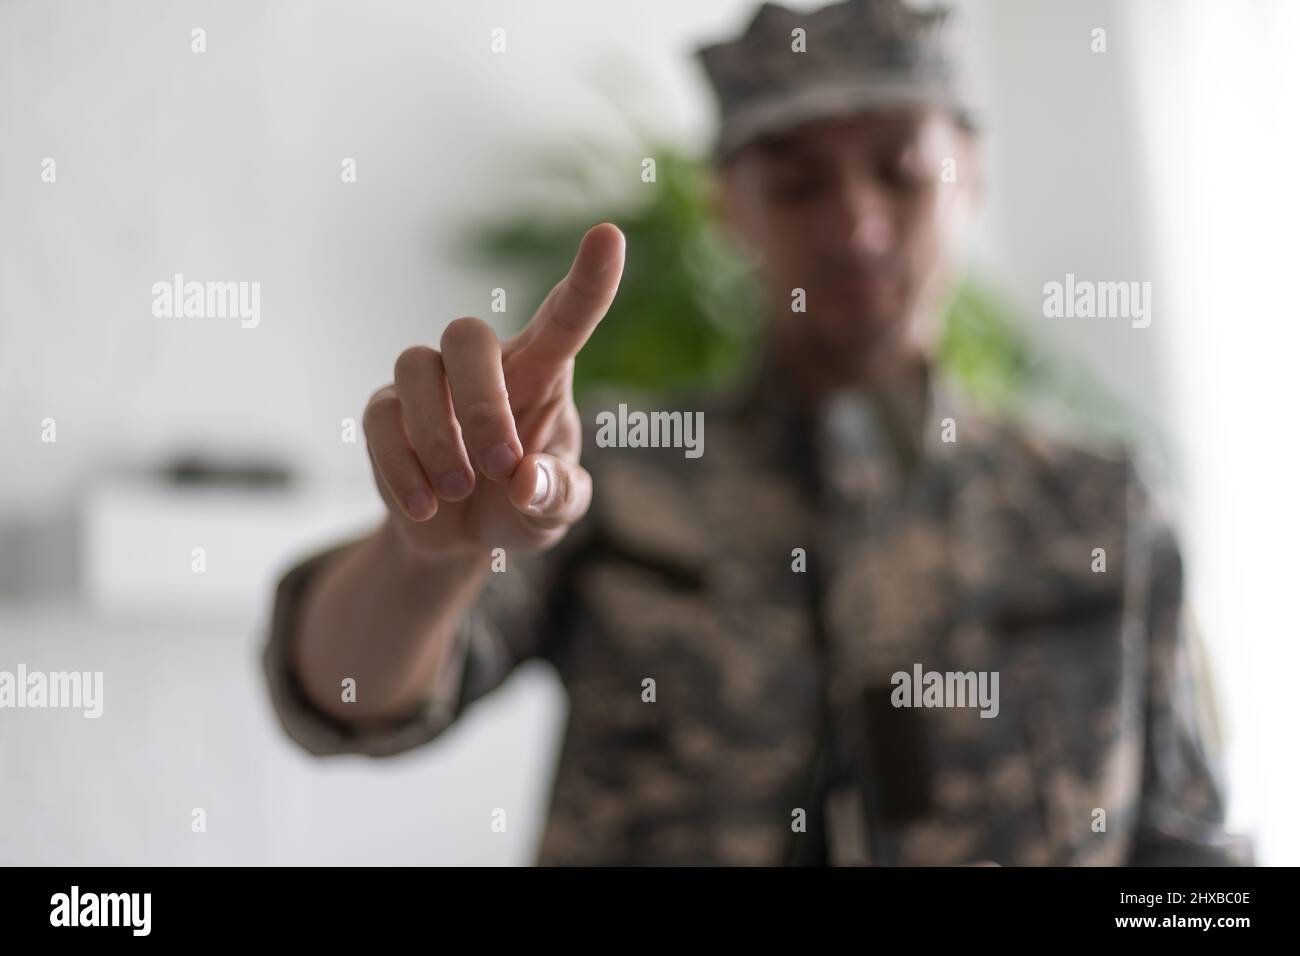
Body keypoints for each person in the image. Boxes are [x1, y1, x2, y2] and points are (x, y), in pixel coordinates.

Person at [262, 0, 1251, 865]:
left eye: (900, 171)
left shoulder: (1099, 503)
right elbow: (344, 692)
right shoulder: (617, 471)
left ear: (970, 180)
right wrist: (427, 551)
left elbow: (1188, 856)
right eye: (798, 184)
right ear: (728, 205)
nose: (856, 222)